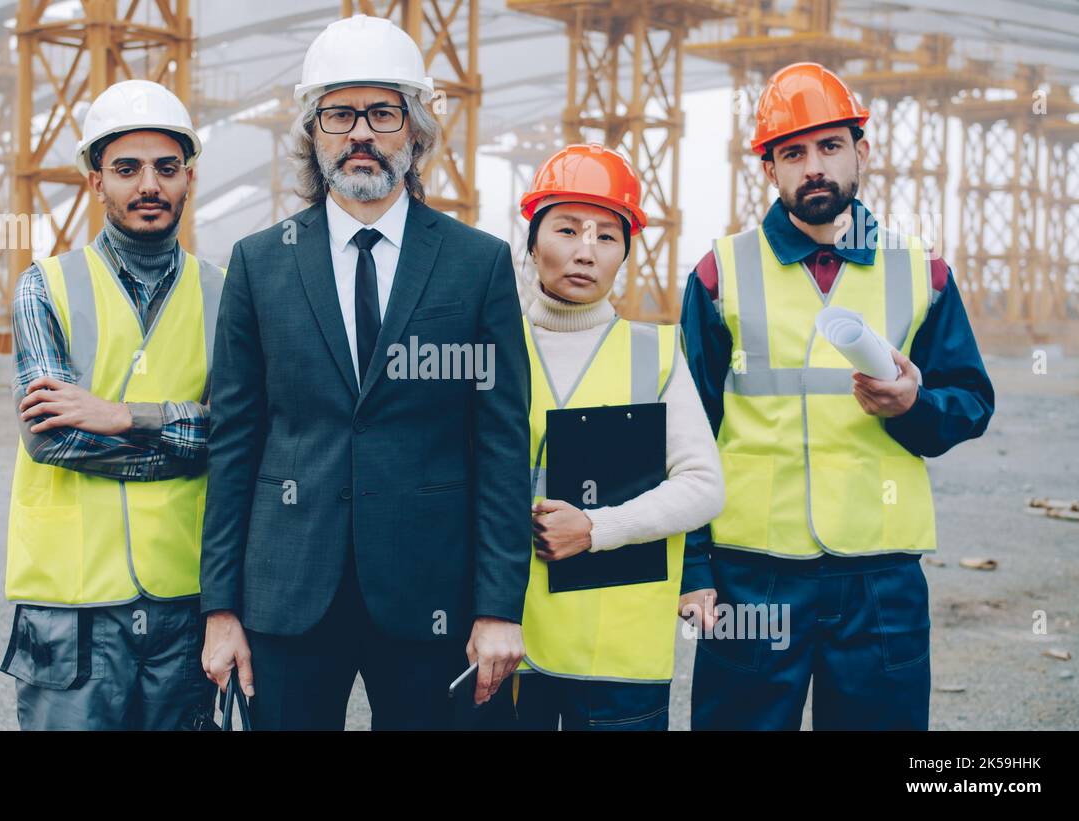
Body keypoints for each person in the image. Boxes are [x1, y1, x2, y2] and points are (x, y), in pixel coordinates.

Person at [198, 15, 530, 731]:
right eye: (338, 113)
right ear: (312, 133)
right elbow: (235, 441)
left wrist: (500, 606)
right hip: (287, 595)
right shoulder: (259, 263)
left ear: (414, 129)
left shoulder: (478, 265)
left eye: (382, 112)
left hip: (430, 596)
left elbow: (501, 445)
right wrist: (221, 608)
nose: (360, 133)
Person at [680, 62, 995, 730]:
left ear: (863, 151)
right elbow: (687, 435)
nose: (813, 166)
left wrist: (915, 406)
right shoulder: (718, 275)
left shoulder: (924, 271)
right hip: (752, 576)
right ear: (769, 168)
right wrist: (696, 563)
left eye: (830, 146)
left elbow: (970, 400)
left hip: (880, 580)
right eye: (792, 152)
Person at [0, 79, 223, 730]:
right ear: (96, 181)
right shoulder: (45, 286)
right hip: (69, 609)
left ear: (189, 178)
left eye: (166, 167)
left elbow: (238, 436)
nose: (148, 183)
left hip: (183, 605)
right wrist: (184, 441)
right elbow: (53, 438)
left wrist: (122, 415)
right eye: (126, 168)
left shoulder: (227, 293)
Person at [511, 143, 724, 731]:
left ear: (626, 252)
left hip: (618, 661)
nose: (586, 251)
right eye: (567, 228)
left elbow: (704, 487)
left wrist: (597, 529)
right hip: (508, 646)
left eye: (607, 235)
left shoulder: (656, 354)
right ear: (532, 242)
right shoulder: (494, 350)